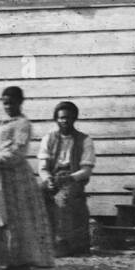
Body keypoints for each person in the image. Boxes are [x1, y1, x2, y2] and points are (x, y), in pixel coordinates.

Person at [0, 86, 54, 270]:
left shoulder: (23, 124)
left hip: (14, 174)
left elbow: (18, 151)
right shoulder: (1, 123)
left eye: (12, 102)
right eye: (5, 103)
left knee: (17, 216)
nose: (8, 106)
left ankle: (21, 262)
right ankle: (7, 260)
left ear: (20, 102)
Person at [38, 101, 96, 257]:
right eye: (61, 118)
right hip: (53, 177)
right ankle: (41, 243)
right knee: (36, 195)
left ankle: (63, 243)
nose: (65, 121)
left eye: (68, 118)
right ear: (56, 119)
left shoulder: (85, 140)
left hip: (73, 179)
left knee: (62, 200)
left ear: (75, 118)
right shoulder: (49, 138)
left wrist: (70, 178)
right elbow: (43, 167)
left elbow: (86, 170)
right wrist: (48, 179)